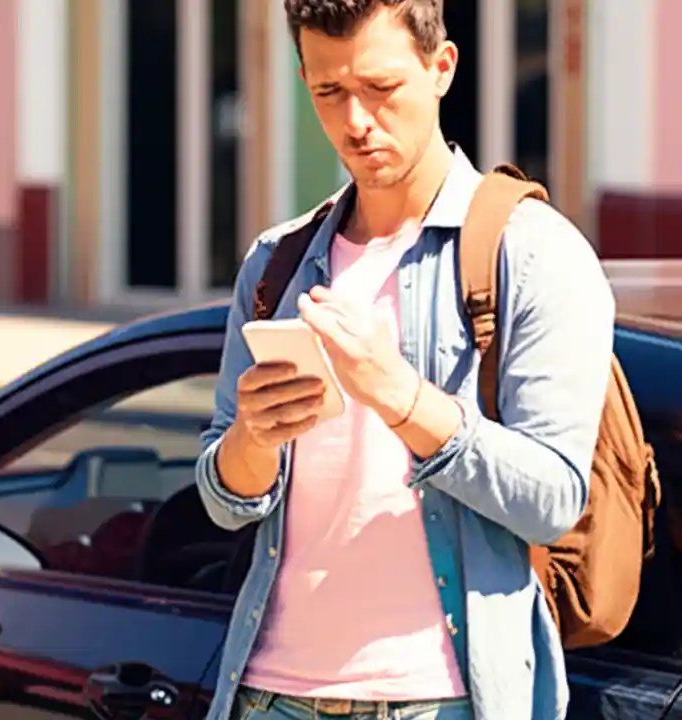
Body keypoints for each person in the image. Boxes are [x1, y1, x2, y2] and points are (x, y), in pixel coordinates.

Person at [195, 1, 615, 718]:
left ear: (441, 67)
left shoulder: (534, 253)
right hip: (269, 696)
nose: (356, 121)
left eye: (381, 89)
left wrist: (400, 398)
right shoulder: (276, 265)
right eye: (329, 92)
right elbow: (222, 499)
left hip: (441, 700)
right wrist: (251, 440)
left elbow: (553, 501)